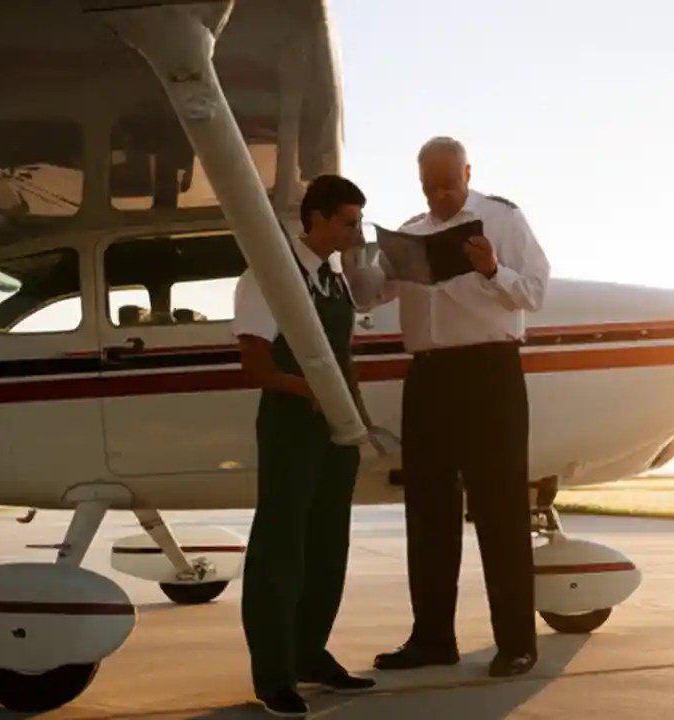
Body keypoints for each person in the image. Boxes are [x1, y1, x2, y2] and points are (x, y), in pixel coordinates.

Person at [344, 136, 551, 678]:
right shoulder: (410, 233)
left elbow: (534, 292)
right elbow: (369, 296)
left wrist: (490, 269)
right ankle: (432, 637)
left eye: (448, 185)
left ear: (467, 172)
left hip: (490, 372)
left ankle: (516, 643)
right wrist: (352, 254)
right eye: (429, 187)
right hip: (430, 376)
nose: (440, 196)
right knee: (428, 511)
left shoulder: (502, 219)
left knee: (500, 507)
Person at [233, 174, 378, 717]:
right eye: (349, 220)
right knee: (281, 544)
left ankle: (310, 654)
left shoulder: (333, 275)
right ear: (316, 218)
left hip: (334, 429)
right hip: (290, 424)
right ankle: (273, 676)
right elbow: (254, 367)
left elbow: (341, 354)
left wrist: (356, 421)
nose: (356, 231)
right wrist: (309, 390)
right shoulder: (267, 275)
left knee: (327, 543)